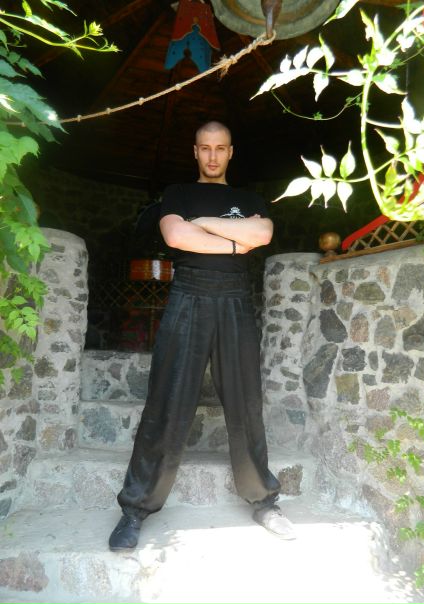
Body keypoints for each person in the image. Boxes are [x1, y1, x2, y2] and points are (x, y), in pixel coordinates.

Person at [109, 120, 296, 551]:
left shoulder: (250, 199)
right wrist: (233, 241)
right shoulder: (177, 193)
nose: (213, 156)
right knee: (167, 401)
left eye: (220, 148)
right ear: (195, 151)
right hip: (188, 296)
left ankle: (264, 502)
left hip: (235, 299)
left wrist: (203, 224)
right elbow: (176, 234)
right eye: (205, 148)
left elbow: (262, 234)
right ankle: (135, 509)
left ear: (231, 152)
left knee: (246, 403)